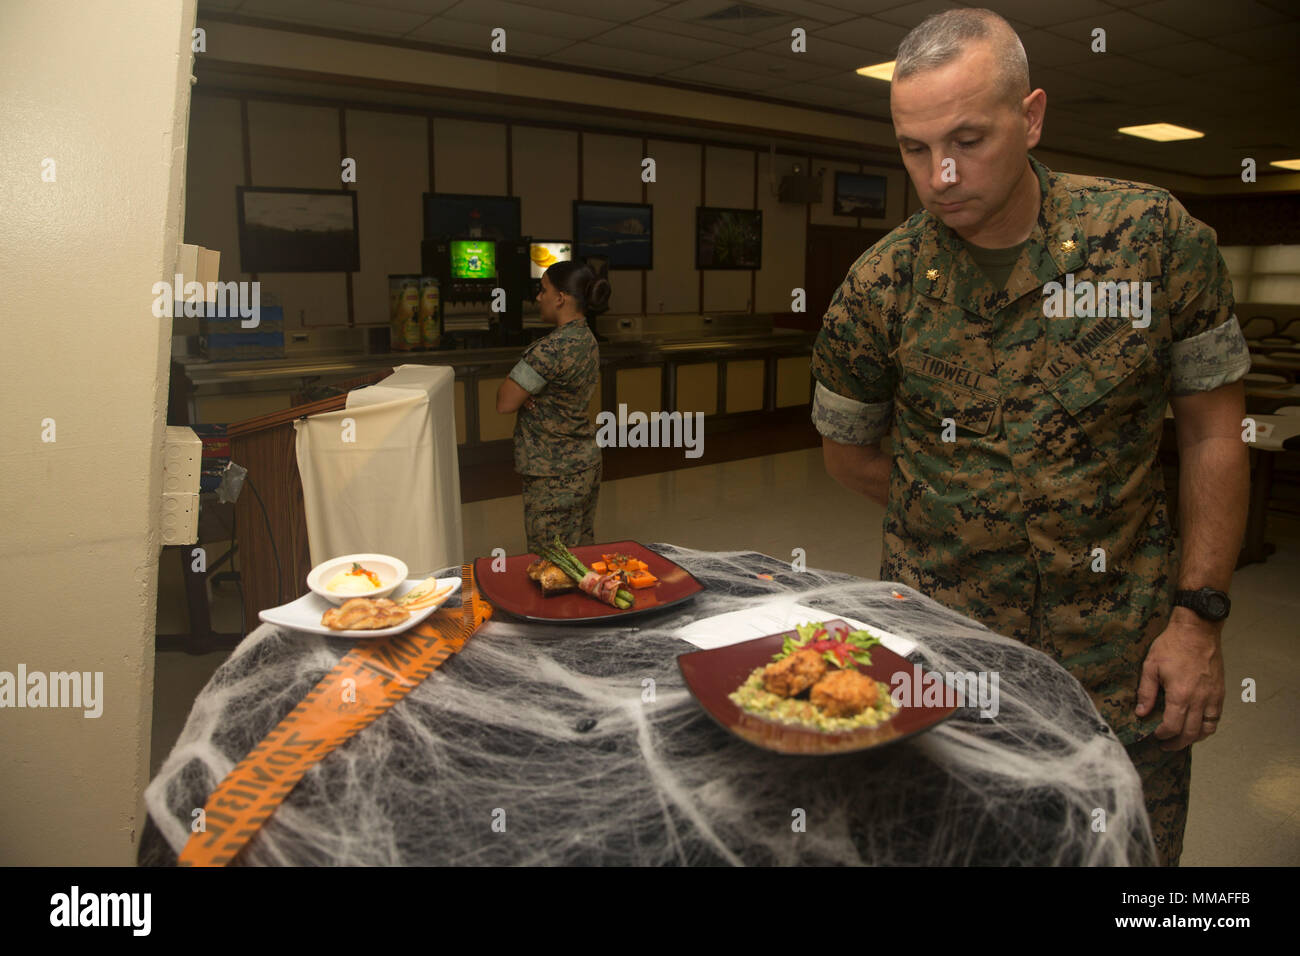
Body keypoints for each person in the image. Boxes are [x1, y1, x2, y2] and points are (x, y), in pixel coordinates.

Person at [811, 8, 1251, 867]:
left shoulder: (1150, 242)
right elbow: (851, 452)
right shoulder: (880, 286)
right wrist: (969, 509)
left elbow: (1211, 435)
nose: (940, 174)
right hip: (945, 657)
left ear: (1033, 116)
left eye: (968, 139)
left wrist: (1198, 621)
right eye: (913, 147)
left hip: (1125, 658)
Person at [497, 260, 609, 554]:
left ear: (560, 298)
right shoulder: (587, 338)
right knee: (580, 557)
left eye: (543, 289)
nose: (538, 297)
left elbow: (505, 402)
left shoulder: (550, 349)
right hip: (585, 463)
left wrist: (530, 393)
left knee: (551, 563)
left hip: (553, 474)